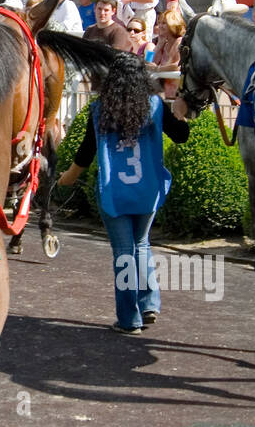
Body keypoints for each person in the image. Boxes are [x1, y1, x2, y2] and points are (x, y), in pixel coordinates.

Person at [57, 53, 190, 332]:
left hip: (114, 192)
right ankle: (149, 302)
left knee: (124, 253)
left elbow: (85, 154)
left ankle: (130, 319)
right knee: (141, 244)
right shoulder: (154, 104)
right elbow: (181, 135)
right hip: (148, 190)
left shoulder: (100, 110)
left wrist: (66, 179)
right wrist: (183, 110)